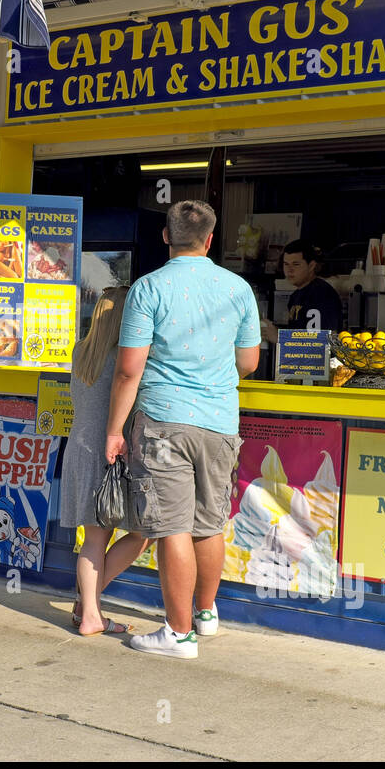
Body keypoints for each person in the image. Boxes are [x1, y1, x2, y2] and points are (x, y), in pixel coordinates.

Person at [105, 200, 261, 659]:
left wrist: (115, 429)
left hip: (165, 423)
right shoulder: (238, 288)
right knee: (209, 524)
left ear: (165, 237)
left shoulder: (149, 288)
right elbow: (248, 362)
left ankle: (177, 634)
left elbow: (129, 370)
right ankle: (206, 615)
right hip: (219, 423)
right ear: (211, 239)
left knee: (172, 527)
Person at [61, 286, 147, 635]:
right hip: (112, 453)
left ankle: (89, 609)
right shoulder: (128, 358)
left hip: (79, 449)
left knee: (94, 538)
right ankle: (90, 609)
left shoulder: (81, 351)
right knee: (142, 533)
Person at [262, 240, 343, 343]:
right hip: (298, 358)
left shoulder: (321, 294)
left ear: (311, 266)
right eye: (286, 264)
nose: (289, 270)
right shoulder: (295, 296)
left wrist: (279, 338)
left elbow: (318, 341)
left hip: (319, 358)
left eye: (296, 264)